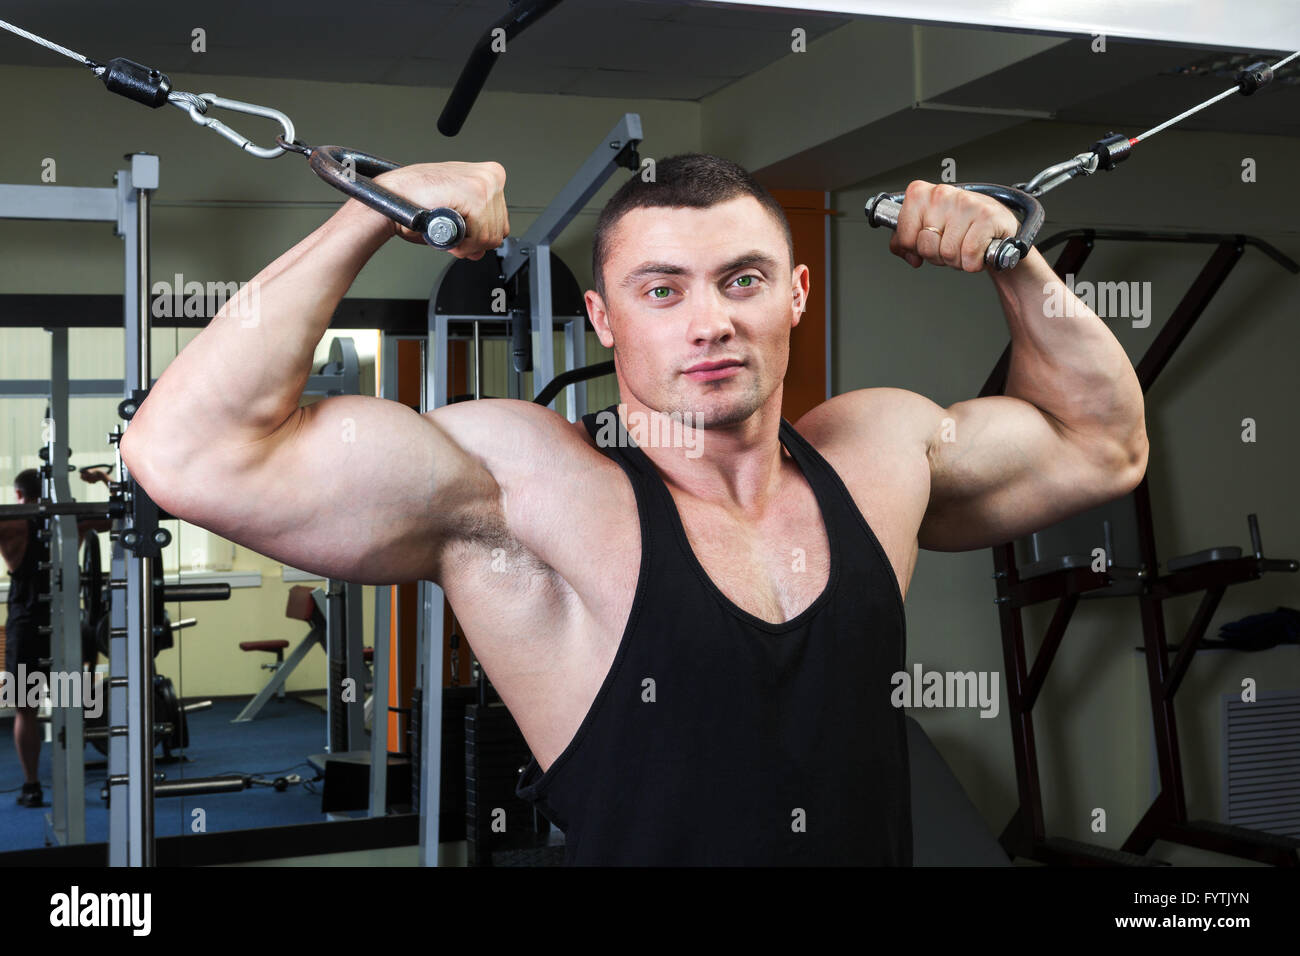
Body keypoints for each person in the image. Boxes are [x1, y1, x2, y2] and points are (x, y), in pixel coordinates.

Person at [120, 153, 1147, 864]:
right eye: (662, 290)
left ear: (792, 294)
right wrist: (368, 212)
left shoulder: (878, 451)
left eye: (739, 280)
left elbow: (1104, 447)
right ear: (605, 320)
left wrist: (1016, 260)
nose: (709, 322)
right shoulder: (528, 490)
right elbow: (186, 454)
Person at [0, 467, 112, 808]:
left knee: (25, 709)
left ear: (20, 495)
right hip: (65, 622)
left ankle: (32, 786)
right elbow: (120, 513)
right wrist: (105, 479)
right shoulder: (74, 520)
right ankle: (73, 779)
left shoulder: (11, 524)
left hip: (25, 623)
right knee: (72, 704)